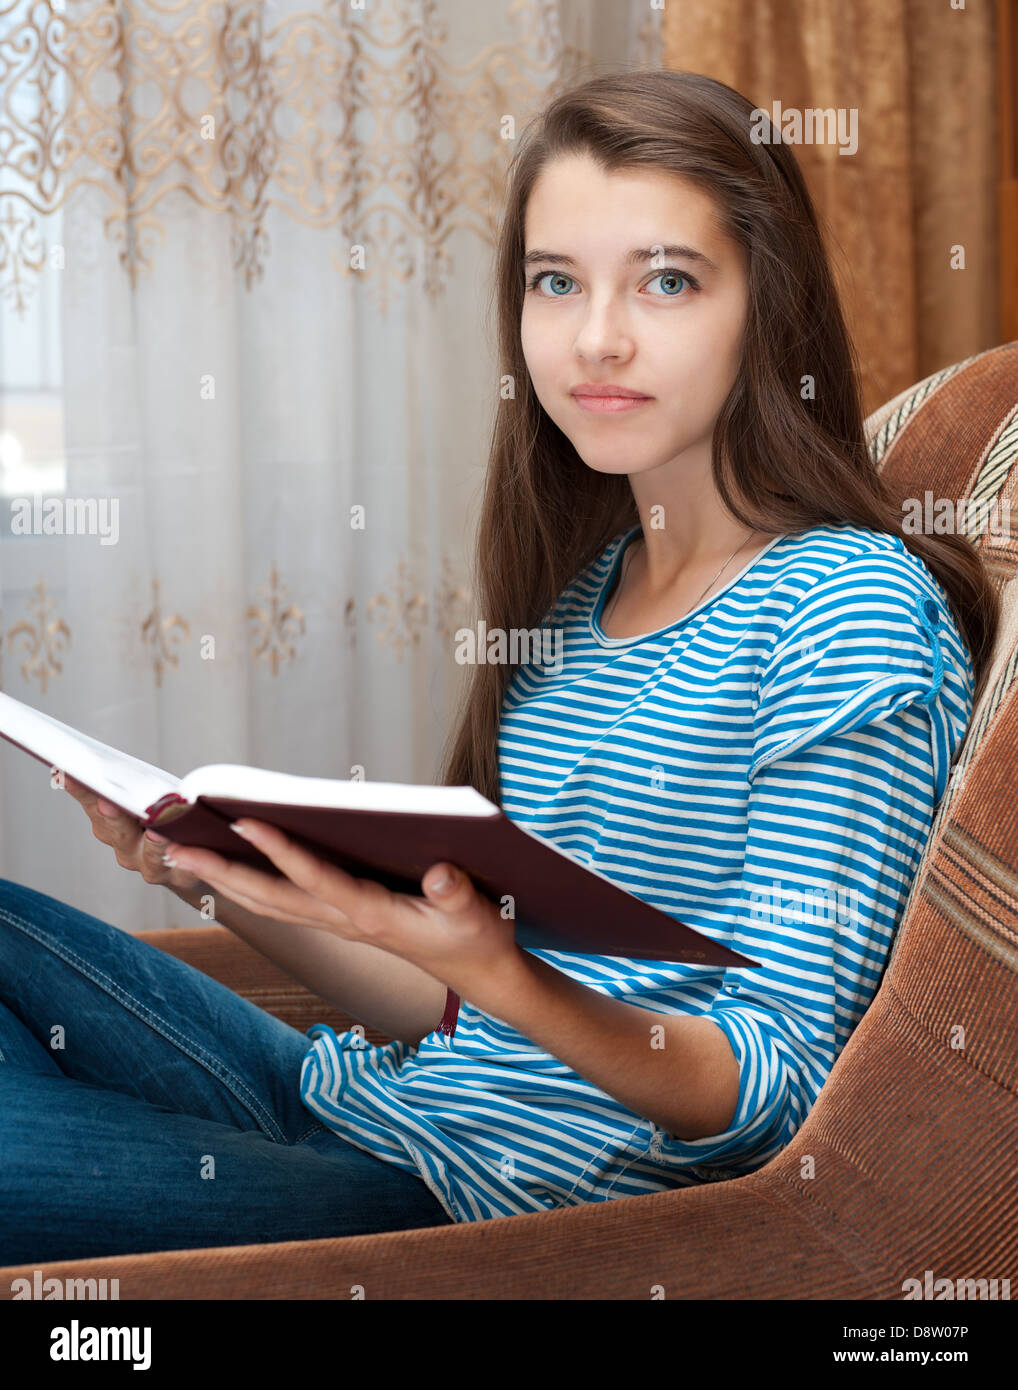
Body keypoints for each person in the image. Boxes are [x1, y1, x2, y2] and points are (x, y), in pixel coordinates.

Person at [0, 68, 996, 1263]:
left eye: (666, 281)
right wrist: (204, 871)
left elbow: (772, 1085)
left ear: (766, 307)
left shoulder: (845, 609)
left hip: (470, 1208)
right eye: (554, 282)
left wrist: (501, 975)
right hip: (358, 1108)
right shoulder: (584, 595)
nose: (596, 338)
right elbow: (454, 1010)